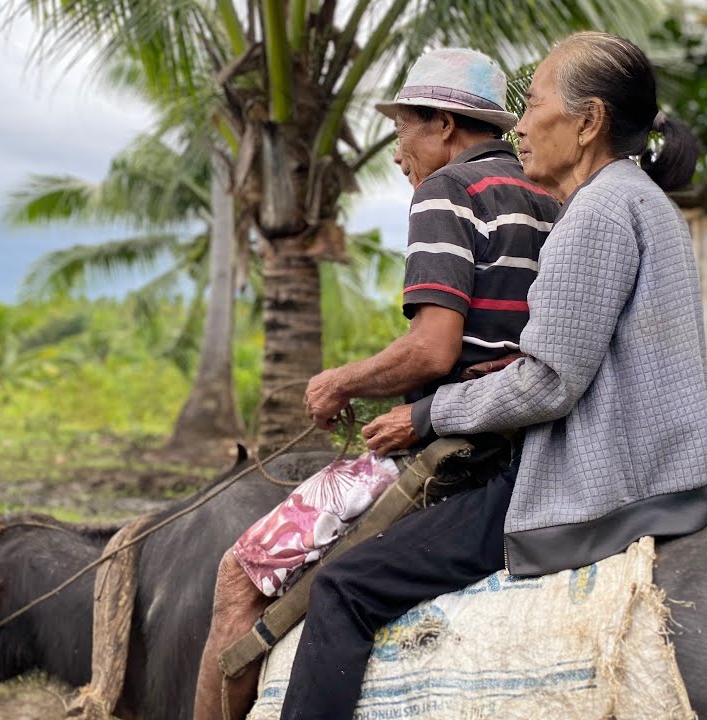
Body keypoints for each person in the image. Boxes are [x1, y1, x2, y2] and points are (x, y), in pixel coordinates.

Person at [277, 32, 707, 720]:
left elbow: (547, 386)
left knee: (342, 588)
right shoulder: (633, 201)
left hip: (600, 489)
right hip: (657, 473)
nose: (521, 124)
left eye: (534, 102)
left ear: (588, 120)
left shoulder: (595, 211)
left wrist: (426, 415)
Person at [193, 47, 560, 720]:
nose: (398, 154)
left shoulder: (448, 192)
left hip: (455, 449)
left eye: (402, 131)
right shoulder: (553, 193)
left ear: (443, 125)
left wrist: (341, 381)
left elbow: (431, 350)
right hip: (538, 445)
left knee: (241, 573)